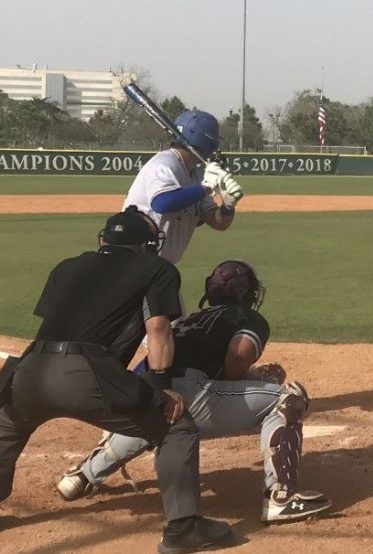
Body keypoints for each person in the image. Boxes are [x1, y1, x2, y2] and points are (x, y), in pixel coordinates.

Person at [0, 207, 236, 553]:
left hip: (30, 370)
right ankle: (183, 529)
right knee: (175, 425)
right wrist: (160, 388)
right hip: (86, 373)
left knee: (6, 430)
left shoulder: (66, 267)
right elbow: (158, 329)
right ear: (145, 245)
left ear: (104, 240)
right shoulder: (157, 268)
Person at [56, 260, 333, 524]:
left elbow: (150, 365)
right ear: (245, 292)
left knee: (156, 416)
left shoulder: (189, 322)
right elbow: (238, 357)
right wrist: (256, 376)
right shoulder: (248, 317)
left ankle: (82, 477)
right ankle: (280, 496)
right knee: (289, 398)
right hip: (194, 395)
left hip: (148, 388)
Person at [124, 109, 244, 265]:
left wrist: (228, 206)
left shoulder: (195, 174)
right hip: (133, 264)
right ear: (207, 142)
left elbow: (218, 223)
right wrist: (206, 187)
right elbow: (162, 203)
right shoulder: (164, 164)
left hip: (158, 268)